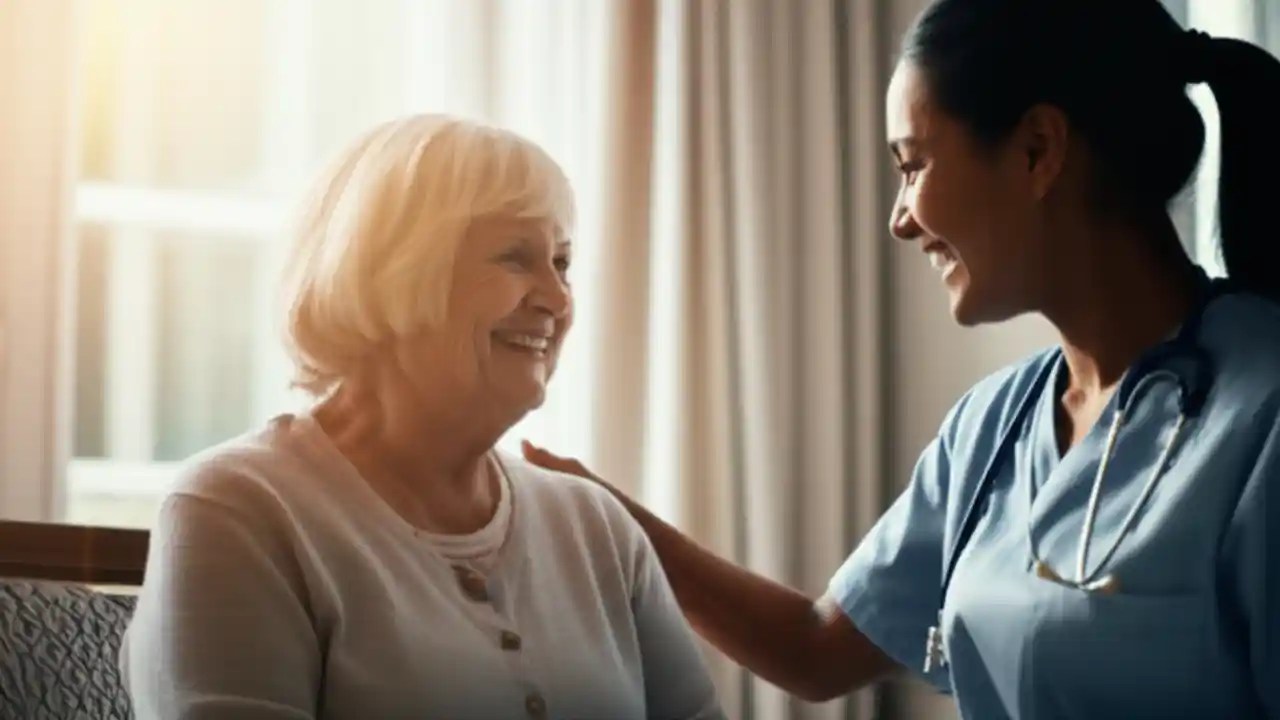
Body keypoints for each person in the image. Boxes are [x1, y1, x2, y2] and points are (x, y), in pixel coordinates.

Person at [522, 1, 1280, 717]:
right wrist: (604, 515)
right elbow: (818, 649)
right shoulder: (995, 429)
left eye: (913, 165)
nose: (899, 220)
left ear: (1037, 151)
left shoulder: (1262, 417)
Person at [119, 114, 725, 720]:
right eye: (516, 258)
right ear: (394, 275)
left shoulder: (597, 528)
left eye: (562, 263)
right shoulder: (239, 508)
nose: (558, 299)